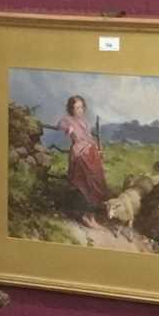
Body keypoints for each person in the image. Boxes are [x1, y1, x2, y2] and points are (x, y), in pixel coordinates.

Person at [49, 95, 109, 225]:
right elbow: (60, 124)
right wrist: (69, 129)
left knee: (97, 181)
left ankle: (91, 215)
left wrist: (98, 149)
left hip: (91, 153)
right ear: (71, 109)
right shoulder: (67, 119)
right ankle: (84, 215)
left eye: (81, 107)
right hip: (79, 154)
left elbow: (89, 137)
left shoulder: (85, 122)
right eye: (77, 108)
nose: (80, 110)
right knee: (84, 183)